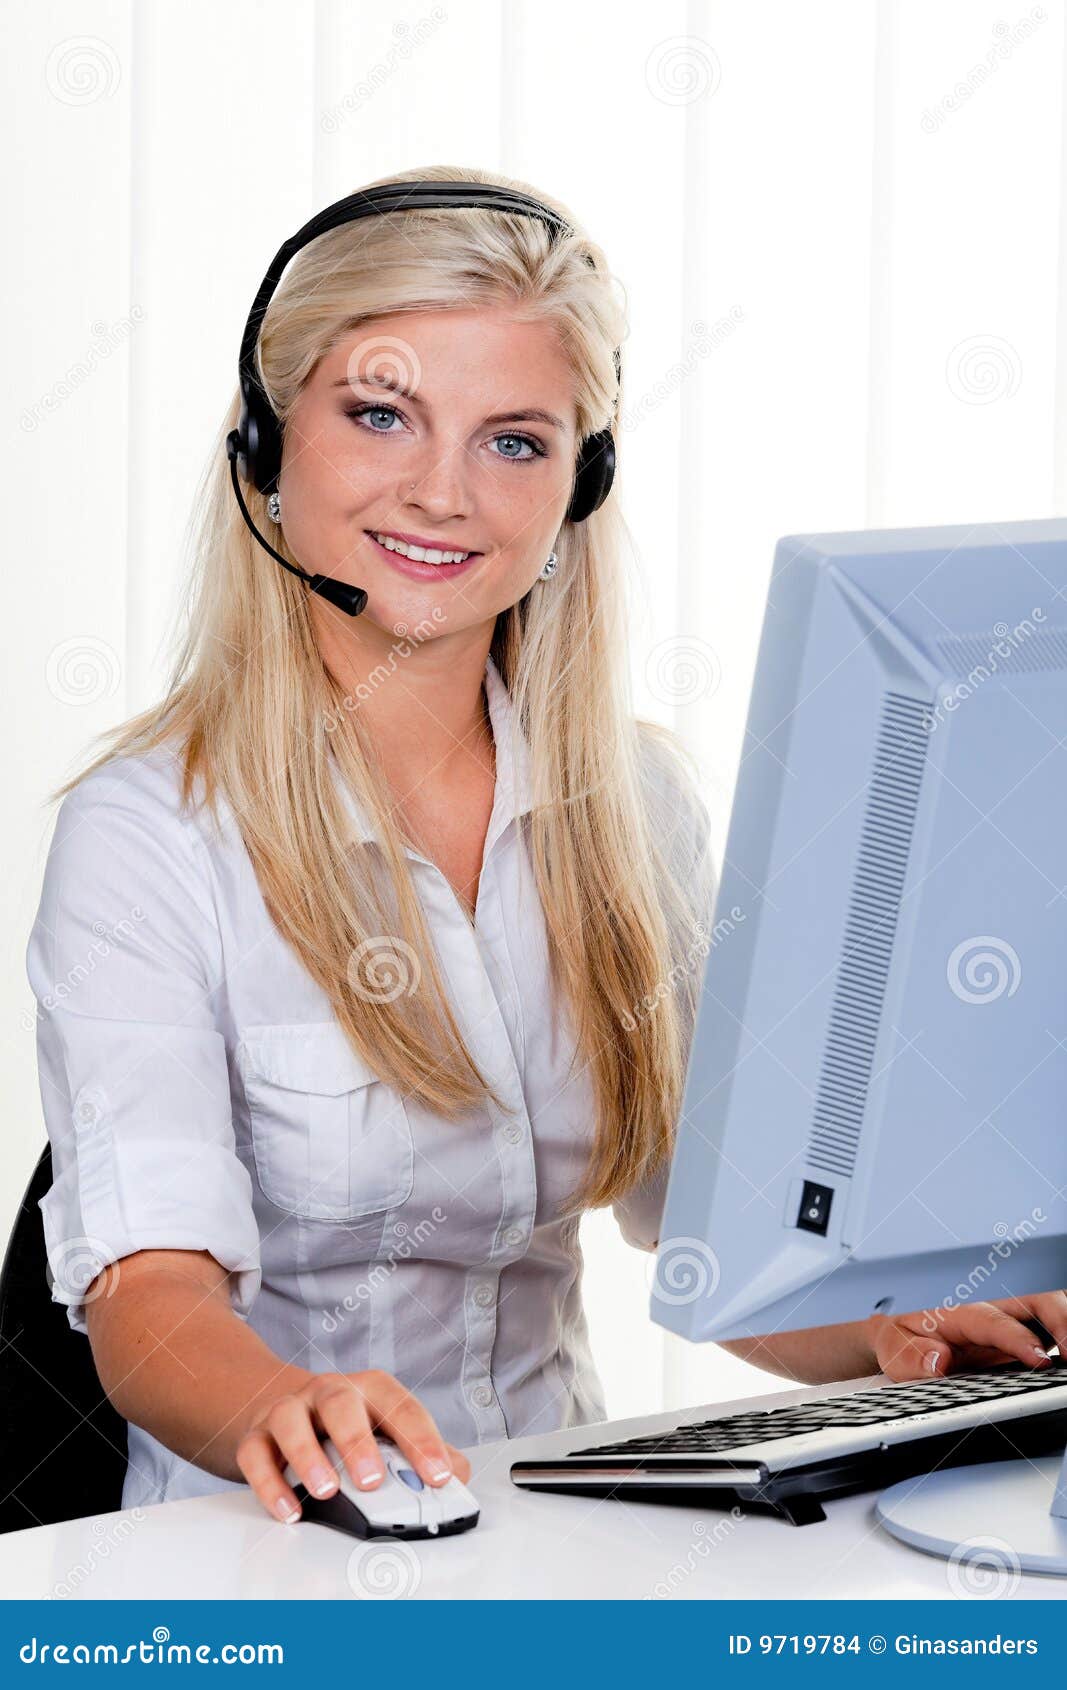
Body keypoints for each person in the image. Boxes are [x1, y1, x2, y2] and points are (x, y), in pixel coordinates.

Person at [26, 165, 1067, 1528]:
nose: (442, 493)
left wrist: (901, 1330)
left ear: (581, 485)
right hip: (268, 1544)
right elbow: (148, 1303)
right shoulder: (150, 834)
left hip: (563, 1527)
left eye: (514, 441)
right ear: (268, 452)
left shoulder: (632, 805)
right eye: (381, 415)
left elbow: (723, 1250)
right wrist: (284, 1406)